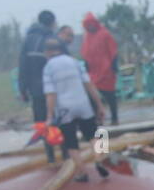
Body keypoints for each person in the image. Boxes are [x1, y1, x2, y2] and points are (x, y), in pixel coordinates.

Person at [41, 38, 109, 182]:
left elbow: (51, 94)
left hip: (65, 109)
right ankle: (99, 160)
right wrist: (99, 105)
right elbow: (88, 84)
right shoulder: (74, 62)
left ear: (47, 52)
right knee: (93, 136)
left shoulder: (48, 68)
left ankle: (82, 172)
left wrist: (49, 116)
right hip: (83, 104)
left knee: (71, 143)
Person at [18, 10, 57, 161]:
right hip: (53, 90)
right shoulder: (53, 39)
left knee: (42, 122)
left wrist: (23, 89)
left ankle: (50, 156)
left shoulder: (28, 40)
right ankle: (66, 155)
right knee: (59, 121)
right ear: (52, 22)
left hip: (36, 90)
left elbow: (23, 66)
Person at [80, 13, 120, 125]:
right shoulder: (87, 37)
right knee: (93, 97)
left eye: (91, 24)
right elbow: (85, 53)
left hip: (107, 70)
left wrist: (114, 66)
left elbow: (113, 51)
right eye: (87, 25)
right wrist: (87, 66)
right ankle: (98, 119)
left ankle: (115, 118)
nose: (90, 27)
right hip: (93, 72)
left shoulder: (104, 34)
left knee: (110, 95)